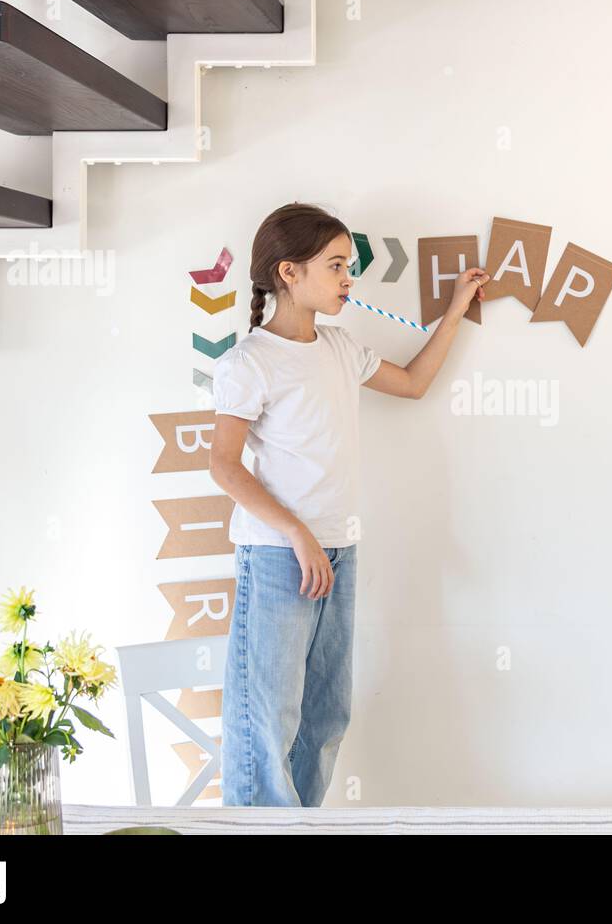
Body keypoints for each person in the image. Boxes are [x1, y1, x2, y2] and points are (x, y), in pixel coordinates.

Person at [209, 202, 485, 806]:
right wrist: (298, 534)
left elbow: (413, 384)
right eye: (335, 266)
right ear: (289, 271)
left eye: (347, 267)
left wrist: (457, 309)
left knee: (326, 720)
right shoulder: (248, 362)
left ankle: (304, 825)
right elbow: (224, 465)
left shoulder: (339, 348)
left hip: (339, 550)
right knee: (267, 720)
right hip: (281, 555)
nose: (347, 279)